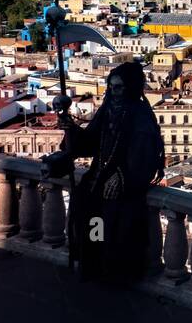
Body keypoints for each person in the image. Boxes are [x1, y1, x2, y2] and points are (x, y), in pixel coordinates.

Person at [60, 60, 164, 285]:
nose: (115, 92)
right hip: (98, 182)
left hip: (124, 189)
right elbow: (89, 142)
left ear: (130, 88)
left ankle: (115, 273)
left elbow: (144, 156)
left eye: (119, 87)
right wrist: (72, 129)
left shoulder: (141, 116)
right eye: (112, 87)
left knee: (118, 231)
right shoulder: (107, 111)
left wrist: (122, 177)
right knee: (93, 222)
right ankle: (94, 264)